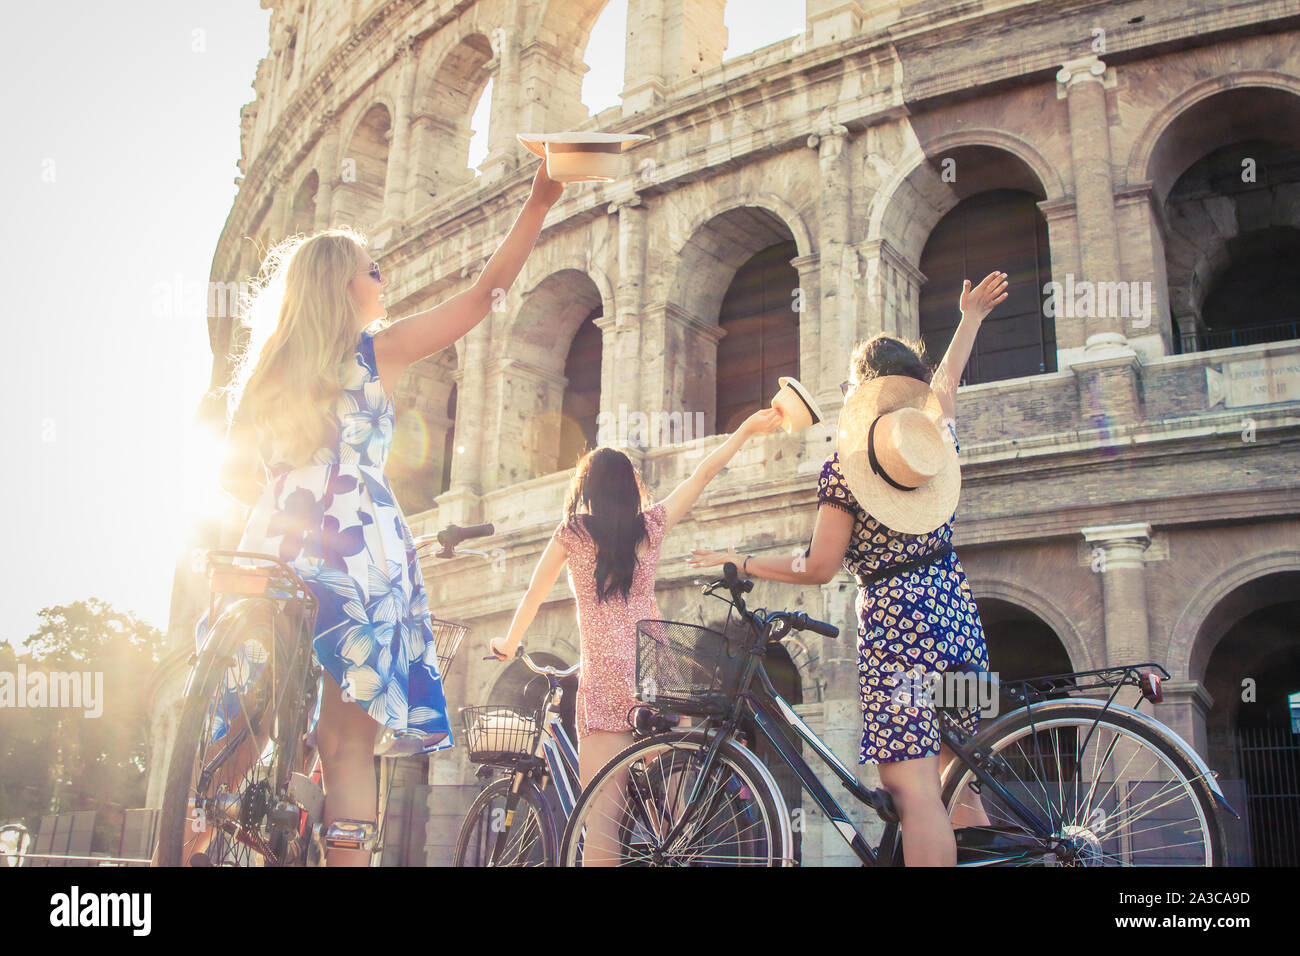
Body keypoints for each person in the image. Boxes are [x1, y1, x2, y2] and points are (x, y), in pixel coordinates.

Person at [189, 161, 566, 866]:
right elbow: (487, 295)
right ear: (343, 288)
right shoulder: (377, 353)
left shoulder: (268, 368)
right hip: (361, 549)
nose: (383, 279)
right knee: (348, 745)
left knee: (248, 716)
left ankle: (189, 834)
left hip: (277, 538)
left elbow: (232, 475)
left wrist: (285, 497)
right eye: (374, 271)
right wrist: (540, 201)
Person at [689, 271, 1008, 866]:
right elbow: (948, 386)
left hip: (898, 628)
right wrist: (970, 320)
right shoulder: (934, 441)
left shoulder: (849, 465)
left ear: (863, 394)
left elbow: (817, 567)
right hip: (957, 616)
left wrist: (743, 561)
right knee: (957, 782)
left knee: (913, 791)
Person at [491, 407, 784, 864]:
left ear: (585, 489)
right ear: (631, 488)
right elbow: (703, 473)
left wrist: (509, 642)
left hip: (605, 680)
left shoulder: (572, 533)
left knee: (601, 826)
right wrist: (746, 427)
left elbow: (534, 590)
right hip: (658, 671)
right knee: (672, 823)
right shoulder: (652, 525)